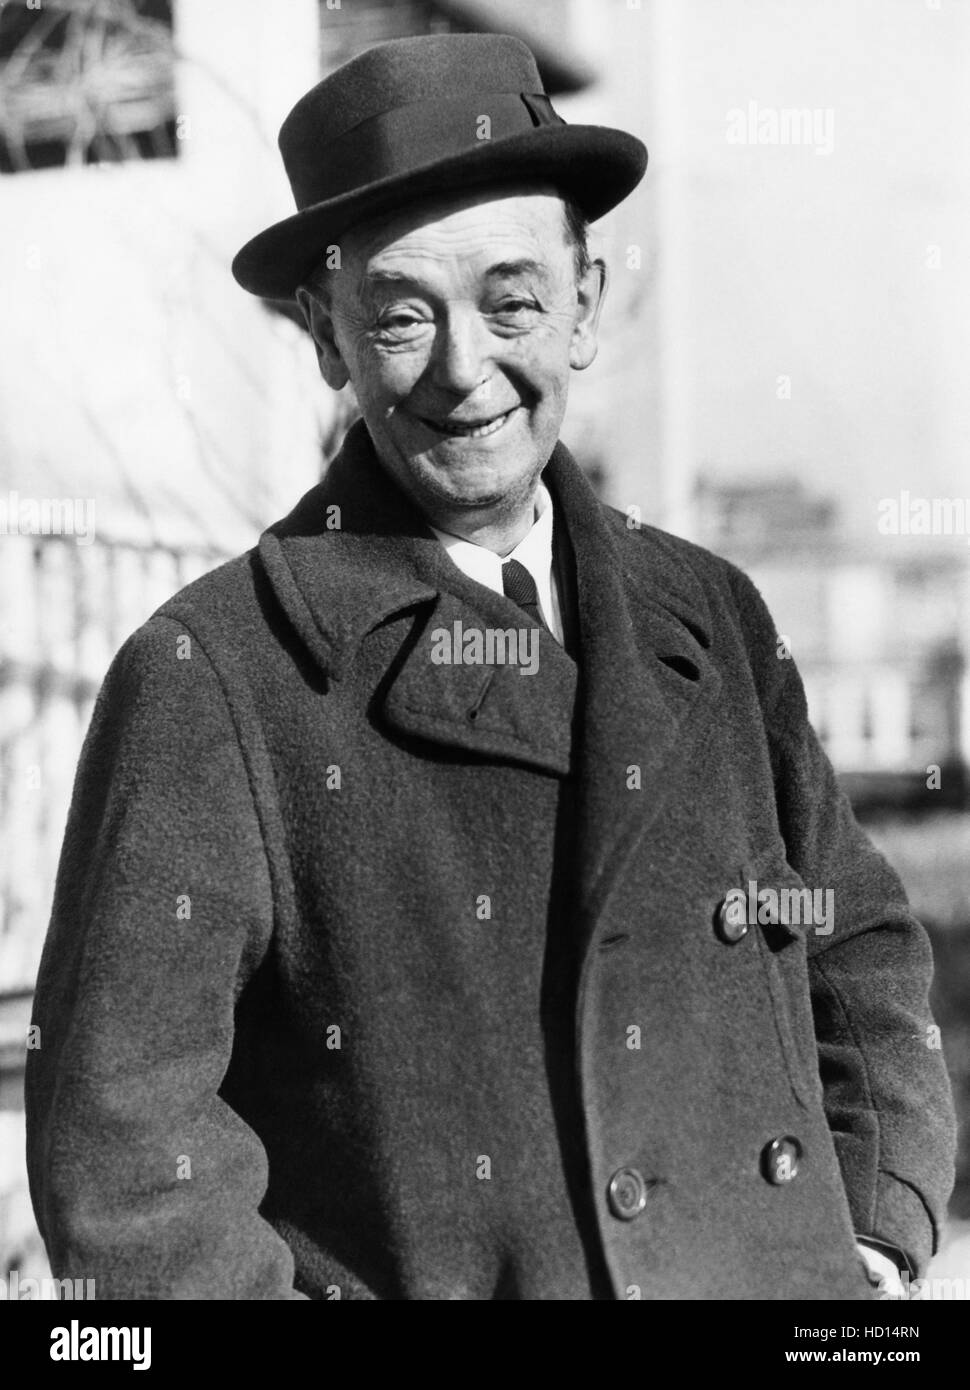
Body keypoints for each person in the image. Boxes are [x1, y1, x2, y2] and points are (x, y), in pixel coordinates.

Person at [26, 32, 955, 1301]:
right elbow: (126, 1151)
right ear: (324, 337)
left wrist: (871, 1235)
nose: (466, 372)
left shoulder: (710, 614)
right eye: (402, 316)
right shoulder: (218, 675)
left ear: (586, 302)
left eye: (512, 299)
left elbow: (853, 935)